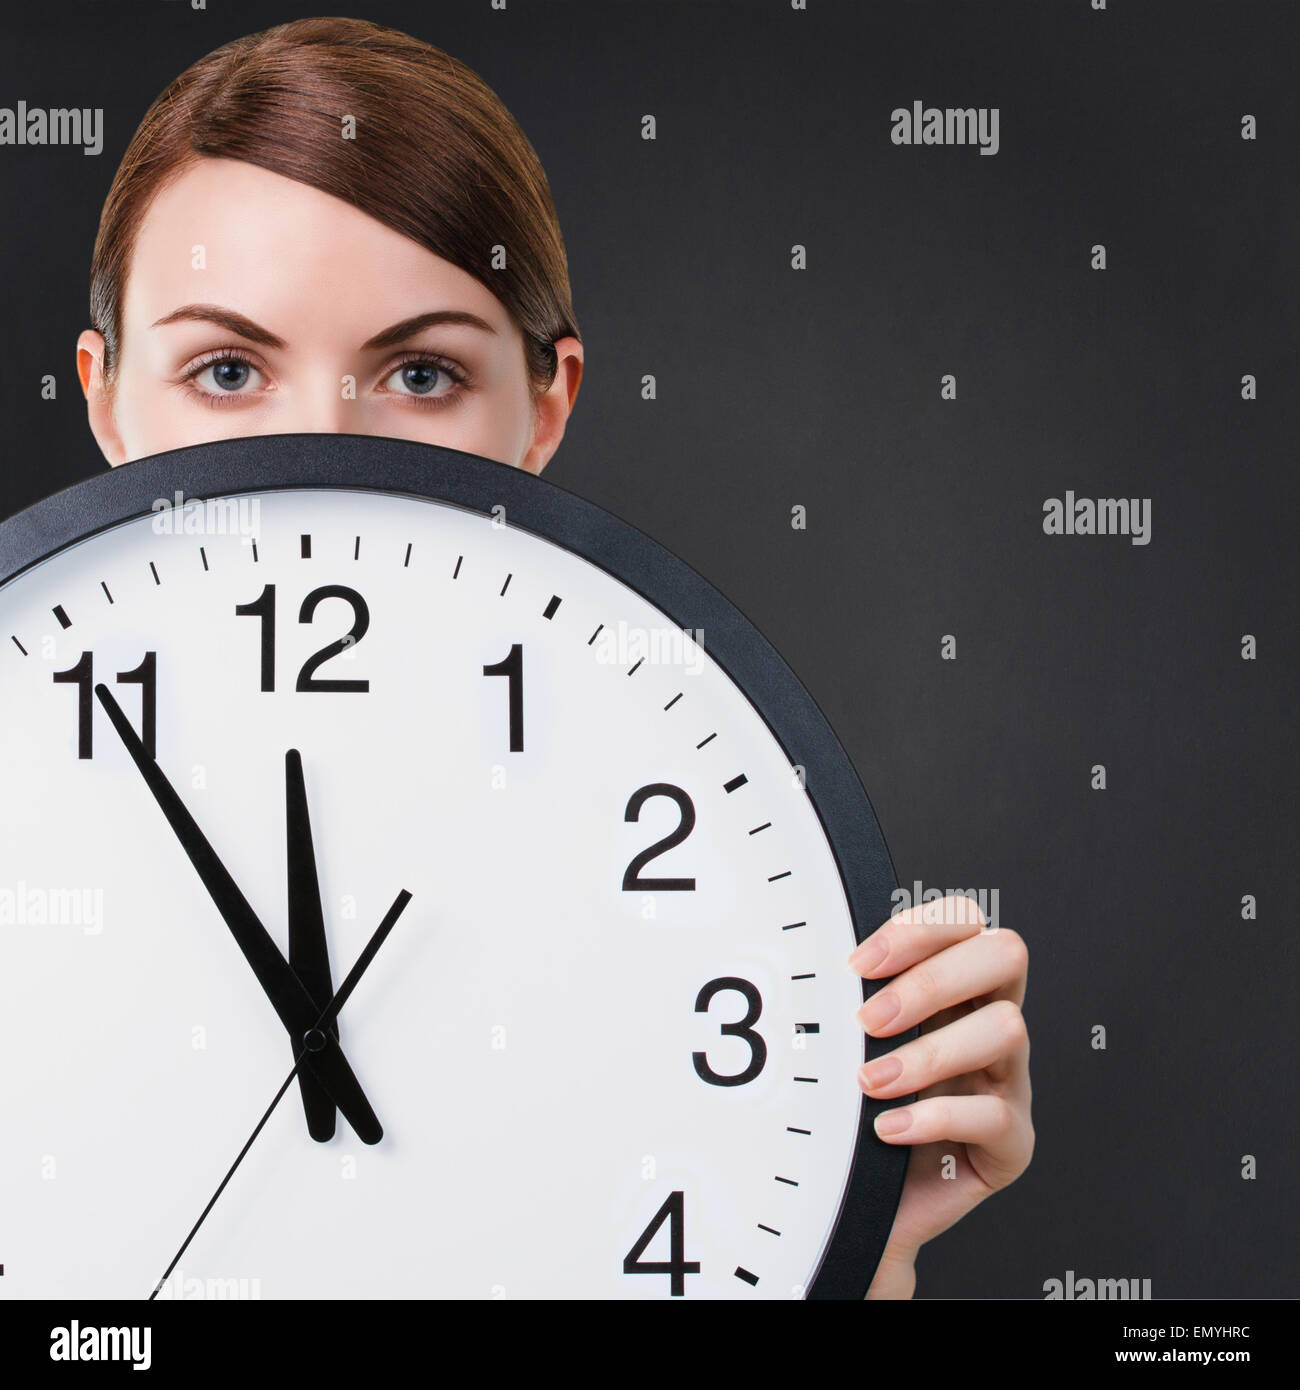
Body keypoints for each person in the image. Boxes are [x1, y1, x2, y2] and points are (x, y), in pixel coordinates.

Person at [75, 16, 1032, 1299]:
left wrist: (855, 1239)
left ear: (546, 408)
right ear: (107, 401)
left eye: (418, 373)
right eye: (228, 367)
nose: (318, 452)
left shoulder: (720, 849)